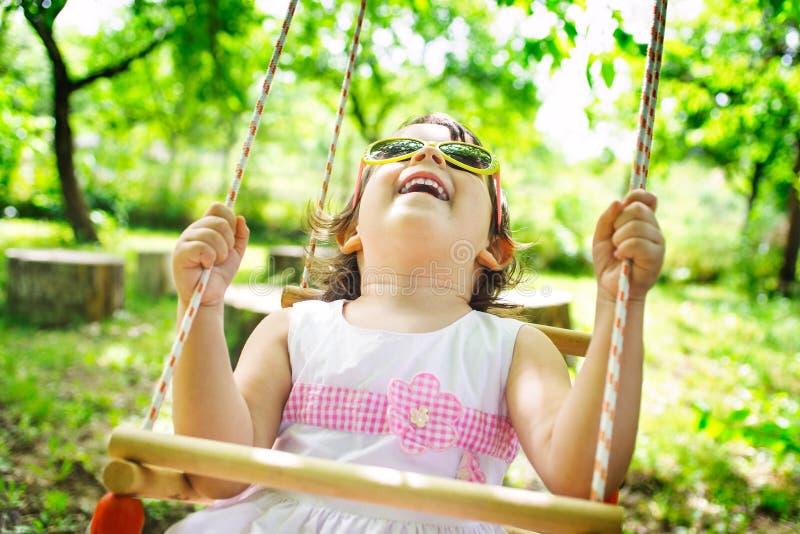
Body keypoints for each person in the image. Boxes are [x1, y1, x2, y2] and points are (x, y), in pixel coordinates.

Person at [166, 113, 665, 533]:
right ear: (353, 230)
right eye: (400, 149)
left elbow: (584, 479)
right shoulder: (293, 332)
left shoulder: (514, 350)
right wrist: (203, 308)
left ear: (494, 246)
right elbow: (216, 472)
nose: (429, 156)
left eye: (465, 157)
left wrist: (619, 305)